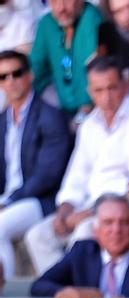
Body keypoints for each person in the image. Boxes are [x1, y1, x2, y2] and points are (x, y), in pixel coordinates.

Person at [24, 56, 129, 272]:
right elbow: (77, 173)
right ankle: (58, 292)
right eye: (99, 90)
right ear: (90, 91)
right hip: (85, 204)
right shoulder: (90, 124)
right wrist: (65, 209)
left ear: (125, 85)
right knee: (37, 236)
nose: (106, 97)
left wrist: (87, 214)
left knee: (83, 233)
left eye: (112, 88)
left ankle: (82, 297)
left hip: (119, 208)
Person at [0, 48, 71, 280]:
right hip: (9, 199)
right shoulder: (2, 121)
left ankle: (6, 296)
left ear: (30, 75)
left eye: (17, 73)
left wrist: (9, 201)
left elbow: (47, 176)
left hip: (39, 200)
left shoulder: (50, 116)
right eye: (3, 77)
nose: (11, 81)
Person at [30, 190, 129, 298]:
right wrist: (66, 293)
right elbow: (39, 286)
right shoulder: (81, 252)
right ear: (96, 230)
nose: (116, 230)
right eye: (108, 223)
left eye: (123, 222)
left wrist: (98, 297)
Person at [29, 0, 103, 116]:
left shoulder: (92, 18)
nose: (61, 8)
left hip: (93, 109)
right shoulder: (47, 23)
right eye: (54, 2)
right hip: (61, 107)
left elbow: (96, 70)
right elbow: (35, 70)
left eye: (67, 1)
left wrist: (82, 113)